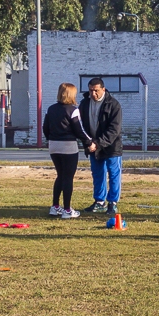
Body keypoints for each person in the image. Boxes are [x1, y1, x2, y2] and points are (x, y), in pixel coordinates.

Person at [43, 83, 95, 219]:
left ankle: (54, 207)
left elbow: (45, 128)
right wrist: (89, 142)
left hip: (53, 145)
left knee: (60, 175)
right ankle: (67, 209)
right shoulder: (73, 110)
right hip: (68, 146)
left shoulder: (51, 109)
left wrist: (51, 138)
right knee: (68, 177)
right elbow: (79, 129)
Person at [78, 77, 123, 216]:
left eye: (96, 90)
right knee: (98, 174)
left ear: (103, 89)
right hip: (92, 147)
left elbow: (114, 130)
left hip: (112, 147)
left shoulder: (113, 105)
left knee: (114, 174)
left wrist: (97, 144)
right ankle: (99, 202)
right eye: (91, 90)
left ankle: (112, 203)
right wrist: (88, 143)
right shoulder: (84, 104)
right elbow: (80, 126)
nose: (93, 94)